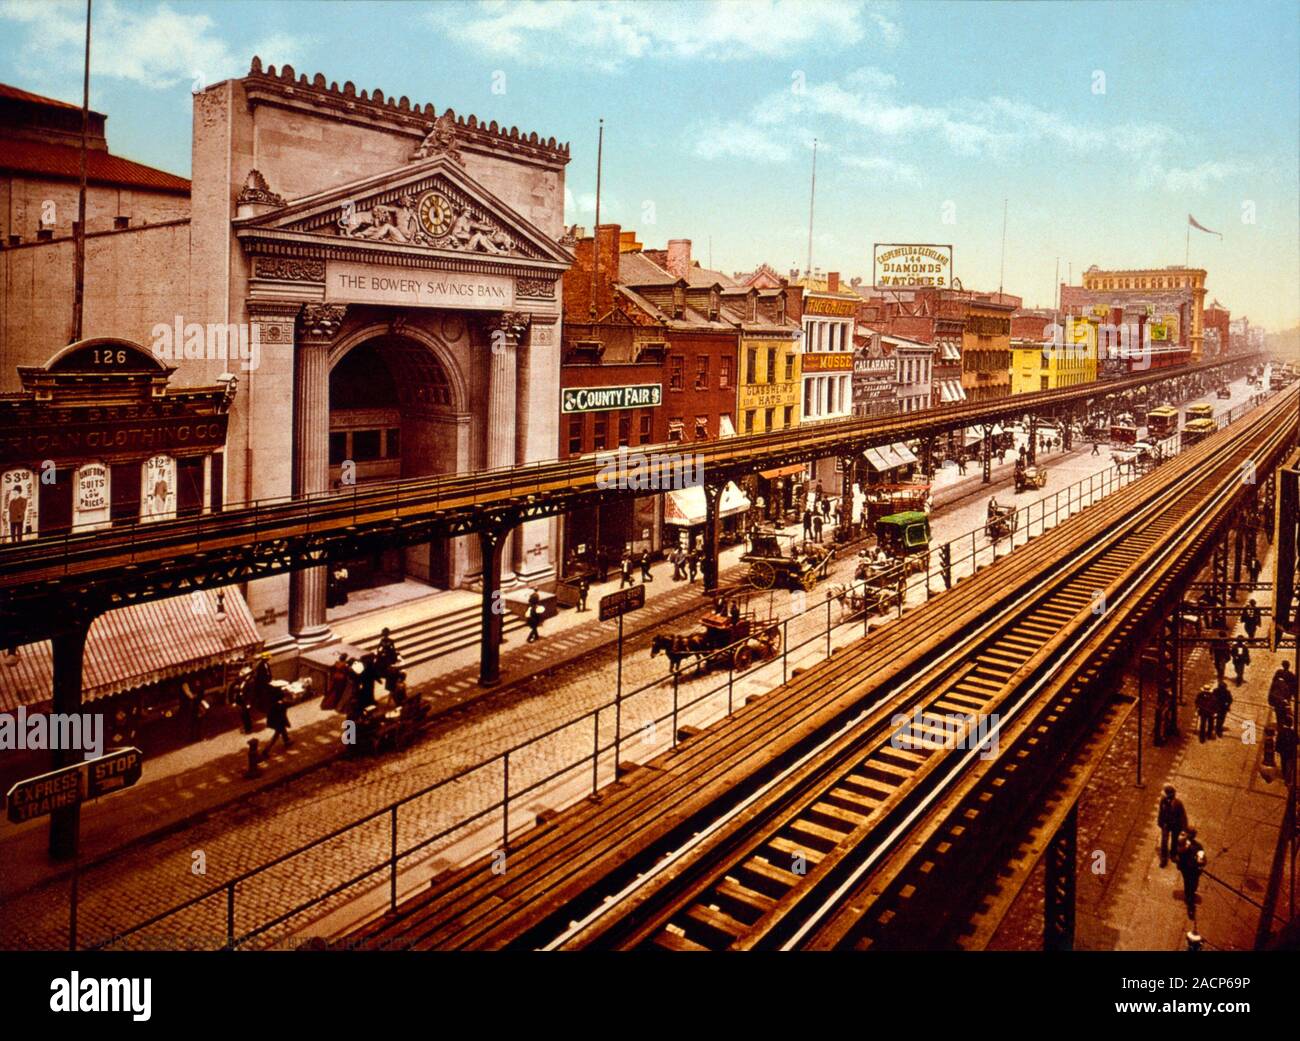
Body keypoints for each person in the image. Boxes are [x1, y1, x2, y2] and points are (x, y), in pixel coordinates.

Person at [1175, 827, 1207, 920]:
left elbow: (1203, 860)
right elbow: (1178, 856)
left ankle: (1190, 895)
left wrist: (1201, 861)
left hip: (1194, 871)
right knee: (1188, 885)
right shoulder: (1182, 846)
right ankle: (1190, 901)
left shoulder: (1197, 847)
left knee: (1193, 885)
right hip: (1187, 870)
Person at [1157, 785, 1188, 868]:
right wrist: (1160, 822)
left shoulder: (1178, 803)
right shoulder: (1163, 801)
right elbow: (1161, 812)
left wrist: (1184, 829)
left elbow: (1183, 816)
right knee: (1164, 841)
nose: (1164, 795)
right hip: (1166, 824)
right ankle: (1164, 858)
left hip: (1175, 825)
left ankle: (1173, 854)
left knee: (1174, 840)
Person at [262, 685, 292, 758]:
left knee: (282, 730)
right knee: (276, 735)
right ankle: (266, 750)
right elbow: (289, 704)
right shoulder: (280, 704)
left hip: (274, 721)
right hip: (278, 721)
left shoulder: (273, 703)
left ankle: (287, 740)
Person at [1268, 661, 1296, 728]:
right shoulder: (1290, 675)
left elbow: (1273, 683)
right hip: (1284, 697)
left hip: (1281, 697)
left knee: (1280, 711)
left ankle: (1281, 724)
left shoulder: (1280, 673)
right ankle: (1282, 724)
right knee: (1283, 710)